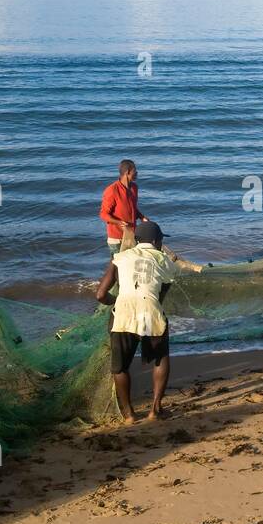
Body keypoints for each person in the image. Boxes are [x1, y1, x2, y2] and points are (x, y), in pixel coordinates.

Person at [95, 221, 176, 423]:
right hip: (150, 311)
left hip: (123, 313)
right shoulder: (164, 260)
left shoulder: (119, 258)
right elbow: (160, 295)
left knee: (120, 367)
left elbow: (100, 295)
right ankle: (155, 410)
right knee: (161, 357)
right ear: (157, 241)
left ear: (137, 240)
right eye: (161, 240)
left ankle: (129, 415)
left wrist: (117, 301)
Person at [100, 159, 147, 259]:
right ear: (128, 172)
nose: (137, 173)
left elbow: (133, 207)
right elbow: (104, 214)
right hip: (116, 238)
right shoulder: (112, 190)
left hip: (131, 235)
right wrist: (118, 222)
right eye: (135, 171)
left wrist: (142, 217)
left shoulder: (134, 187)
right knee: (116, 265)